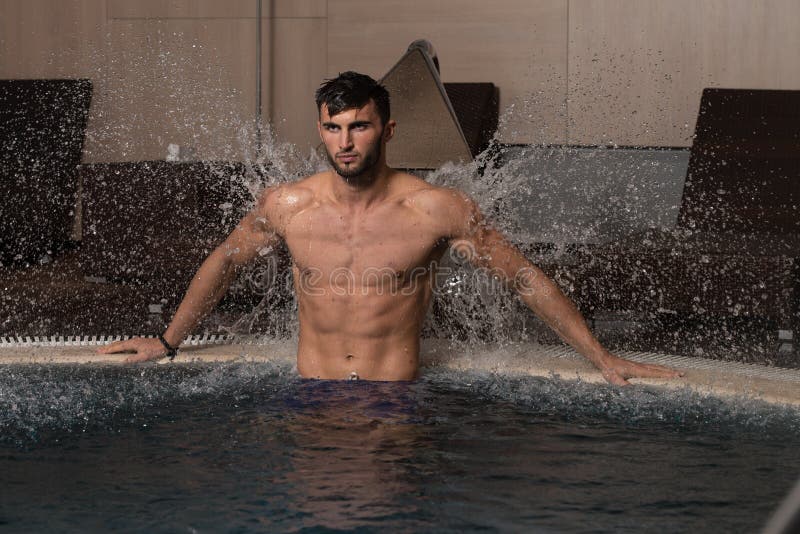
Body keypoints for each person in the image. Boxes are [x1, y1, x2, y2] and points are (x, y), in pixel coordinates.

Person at [100, 71, 682, 385]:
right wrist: (170, 340)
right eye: (333, 128)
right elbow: (225, 261)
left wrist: (600, 357)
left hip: (394, 403)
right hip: (312, 398)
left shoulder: (437, 208)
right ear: (320, 129)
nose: (345, 142)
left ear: (388, 129)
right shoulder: (287, 204)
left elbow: (523, 279)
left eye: (359, 127)